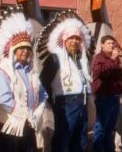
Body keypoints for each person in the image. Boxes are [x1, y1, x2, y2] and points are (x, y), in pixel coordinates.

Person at [0, 7, 47, 152]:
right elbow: (4, 98)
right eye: (21, 48)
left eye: (27, 48)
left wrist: (36, 114)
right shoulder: (1, 70)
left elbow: (43, 94)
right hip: (9, 123)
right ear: (13, 50)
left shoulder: (31, 71)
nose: (25, 51)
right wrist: (24, 113)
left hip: (29, 122)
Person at [39, 12, 92, 152]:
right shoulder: (55, 58)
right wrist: (53, 100)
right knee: (63, 139)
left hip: (83, 101)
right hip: (65, 103)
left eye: (77, 38)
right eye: (71, 38)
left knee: (80, 139)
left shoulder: (82, 59)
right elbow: (43, 81)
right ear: (64, 40)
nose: (74, 41)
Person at [91, 35, 122, 152]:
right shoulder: (99, 58)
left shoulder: (115, 59)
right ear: (102, 45)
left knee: (110, 128)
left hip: (115, 96)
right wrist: (112, 59)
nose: (112, 45)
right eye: (109, 43)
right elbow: (102, 73)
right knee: (101, 128)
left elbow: (117, 77)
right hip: (104, 96)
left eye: (113, 43)